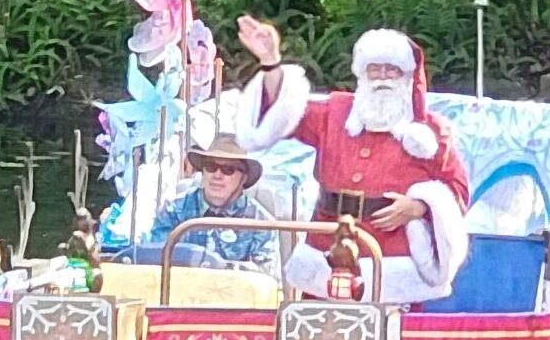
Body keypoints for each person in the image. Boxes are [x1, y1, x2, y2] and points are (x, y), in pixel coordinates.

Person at [229, 18, 471, 304]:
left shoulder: (430, 130)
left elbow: (457, 191)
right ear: (362, 75)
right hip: (326, 253)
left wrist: (419, 206)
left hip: (392, 263)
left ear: (406, 77)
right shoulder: (335, 112)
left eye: (391, 70)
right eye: (374, 69)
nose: (382, 77)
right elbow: (283, 114)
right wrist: (270, 62)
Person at [140, 136, 277, 274]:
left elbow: (265, 280)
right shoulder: (172, 211)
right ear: (203, 171)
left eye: (228, 169)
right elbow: (154, 266)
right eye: (211, 167)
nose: (217, 175)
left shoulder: (262, 224)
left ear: (244, 178)